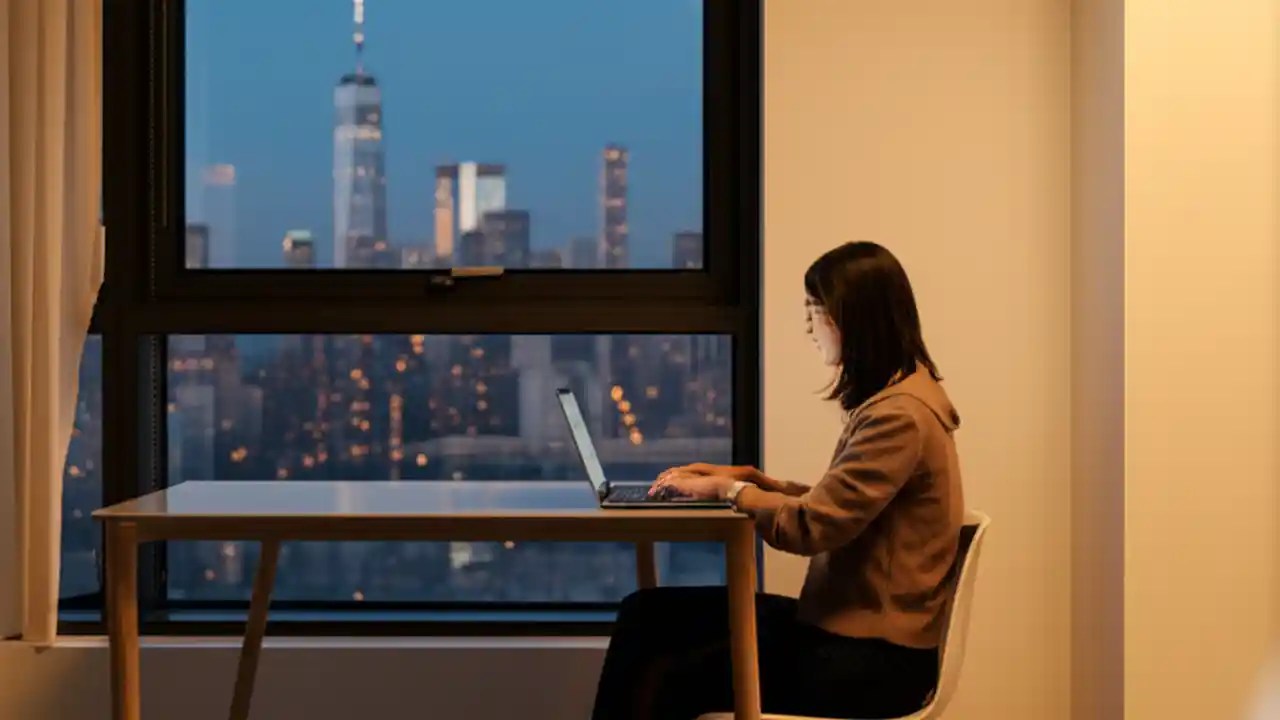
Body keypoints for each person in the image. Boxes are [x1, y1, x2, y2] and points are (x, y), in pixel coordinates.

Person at [591, 241, 965, 720]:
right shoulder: (899, 397)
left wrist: (730, 492)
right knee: (647, 614)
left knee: (674, 677)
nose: (809, 327)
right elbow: (838, 504)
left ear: (855, 318)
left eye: (816, 310)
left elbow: (810, 528)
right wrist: (750, 478)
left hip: (873, 660)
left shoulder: (900, 417)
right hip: (848, 633)